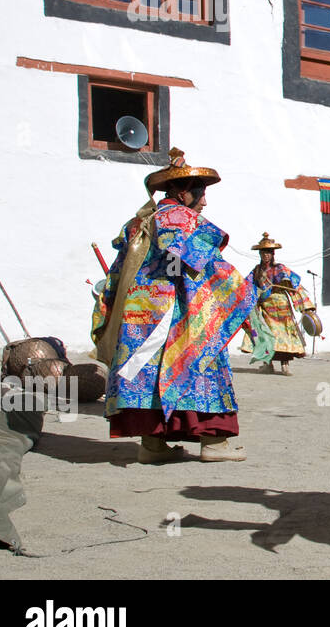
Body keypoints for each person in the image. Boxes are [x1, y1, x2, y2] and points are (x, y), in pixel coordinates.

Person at [91, 149, 257, 463]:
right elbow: (193, 258)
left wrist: (110, 311)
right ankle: (214, 443)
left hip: (139, 315)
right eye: (201, 194)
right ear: (182, 192)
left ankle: (152, 446)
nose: (204, 202)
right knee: (200, 361)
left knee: (144, 372)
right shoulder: (177, 217)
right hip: (176, 310)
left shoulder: (138, 222)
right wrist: (240, 288)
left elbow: (117, 271)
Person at [243, 233, 317, 376]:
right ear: (260, 253)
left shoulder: (280, 269)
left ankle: (285, 365)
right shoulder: (257, 270)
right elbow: (246, 287)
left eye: (268, 253)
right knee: (265, 335)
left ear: (273, 254)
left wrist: (305, 306)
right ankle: (268, 364)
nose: (266, 256)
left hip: (281, 307)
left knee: (284, 335)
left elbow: (295, 287)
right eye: (263, 253)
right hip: (265, 307)